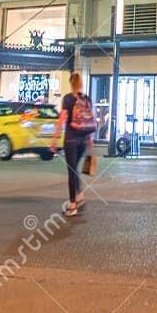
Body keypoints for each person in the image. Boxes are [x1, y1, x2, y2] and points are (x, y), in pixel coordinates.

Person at [56, 71, 98, 215]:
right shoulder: (86, 98)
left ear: (71, 83)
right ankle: (79, 195)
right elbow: (89, 119)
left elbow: (61, 120)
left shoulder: (68, 99)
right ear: (80, 84)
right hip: (83, 141)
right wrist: (90, 139)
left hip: (71, 139)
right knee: (75, 168)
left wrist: (54, 140)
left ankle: (72, 205)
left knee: (71, 170)